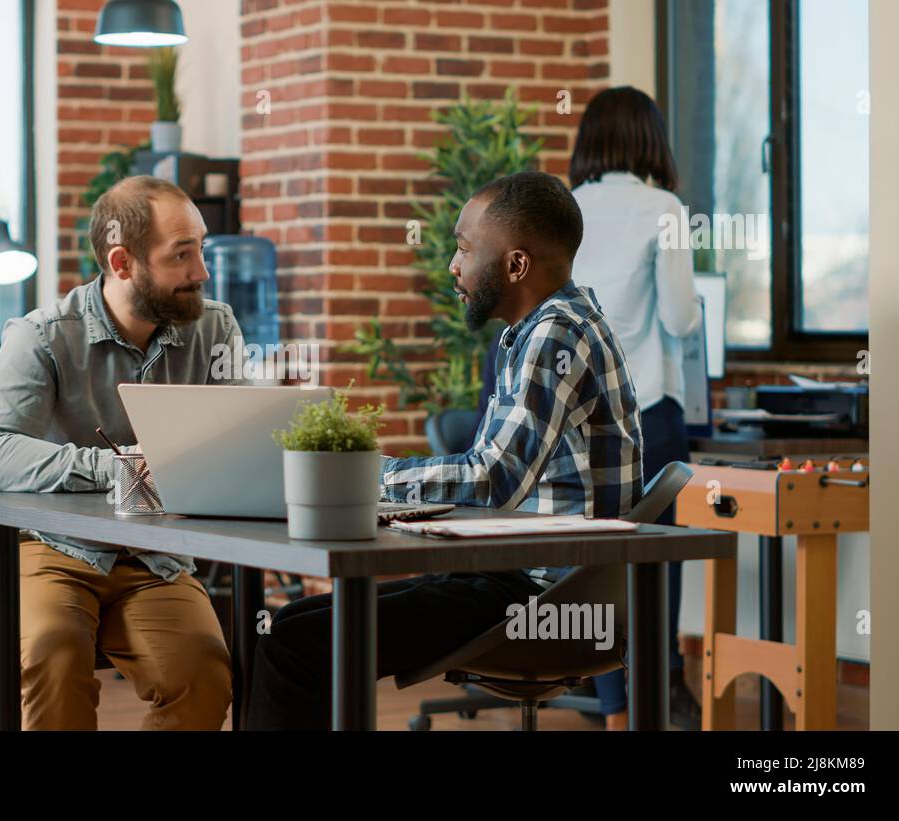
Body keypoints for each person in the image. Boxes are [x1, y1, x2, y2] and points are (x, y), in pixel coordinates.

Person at [244, 170, 644, 730]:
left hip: (545, 599)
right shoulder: (548, 327)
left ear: (516, 264)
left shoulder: (556, 334)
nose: (453, 266)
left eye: (463, 249)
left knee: (295, 641)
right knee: (292, 621)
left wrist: (365, 477)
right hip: (522, 578)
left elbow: (490, 480)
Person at [0, 175, 245, 730]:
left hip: (150, 554)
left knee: (205, 671)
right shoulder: (42, 335)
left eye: (202, 249)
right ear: (123, 263)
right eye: (182, 255)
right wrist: (123, 469)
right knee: (54, 651)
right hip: (41, 548)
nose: (202, 273)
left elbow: (236, 443)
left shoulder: (216, 328)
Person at [569, 86, 703, 731]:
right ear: (650, 139)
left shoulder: (561, 208)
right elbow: (678, 319)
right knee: (655, 560)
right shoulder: (664, 208)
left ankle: (612, 711)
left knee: (593, 563)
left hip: (574, 416)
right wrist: (700, 308)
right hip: (648, 410)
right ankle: (660, 693)